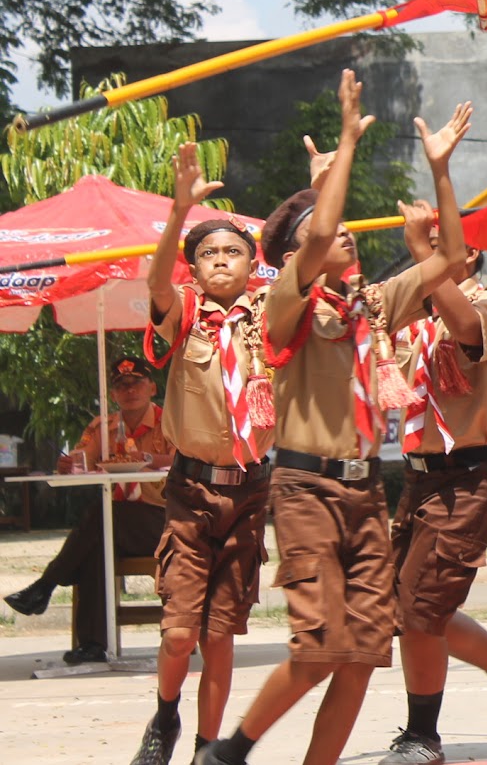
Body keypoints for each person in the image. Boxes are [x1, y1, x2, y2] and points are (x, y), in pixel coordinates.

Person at [199, 72, 471, 765]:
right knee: (320, 644)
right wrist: (343, 149)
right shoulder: (284, 305)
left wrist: (441, 172)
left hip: (364, 493)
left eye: (349, 230)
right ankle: (230, 749)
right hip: (307, 491)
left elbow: (450, 259)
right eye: (331, 232)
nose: (344, 235)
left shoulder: (370, 307)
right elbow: (320, 229)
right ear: (294, 255)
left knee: (360, 655)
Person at [379, 204, 487, 765]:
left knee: (423, 607)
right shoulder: (408, 314)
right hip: (420, 477)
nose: (423, 249)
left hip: (473, 475)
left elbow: (466, 329)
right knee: (408, 606)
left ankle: (422, 736)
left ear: (467, 252)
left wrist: (427, 252)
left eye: (440, 241)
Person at [127, 144, 276, 765]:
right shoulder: (187, 314)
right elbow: (157, 283)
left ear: (251, 263)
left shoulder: (270, 317)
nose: (220, 260)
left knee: (220, 638)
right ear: (195, 268)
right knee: (180, 630)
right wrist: (180, 212)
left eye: (232, 251)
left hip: (249, 490)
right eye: (208, 253)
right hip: (191, 492)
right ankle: (165, 717)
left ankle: (207, 749)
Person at [5, 356, 173, 665]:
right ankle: (94, 644)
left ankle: (46, 585)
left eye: (136, 382)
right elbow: (81, 461)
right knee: (96, 545)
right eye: (121, 385)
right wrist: (68, 464)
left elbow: (189, 461)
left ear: (151, 387)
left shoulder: (170, 422)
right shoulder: (103, 427)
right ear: (113, 395)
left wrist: (152, 459)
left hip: (163, 520)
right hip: (118, 523)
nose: (129, 390)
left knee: (102, 516)